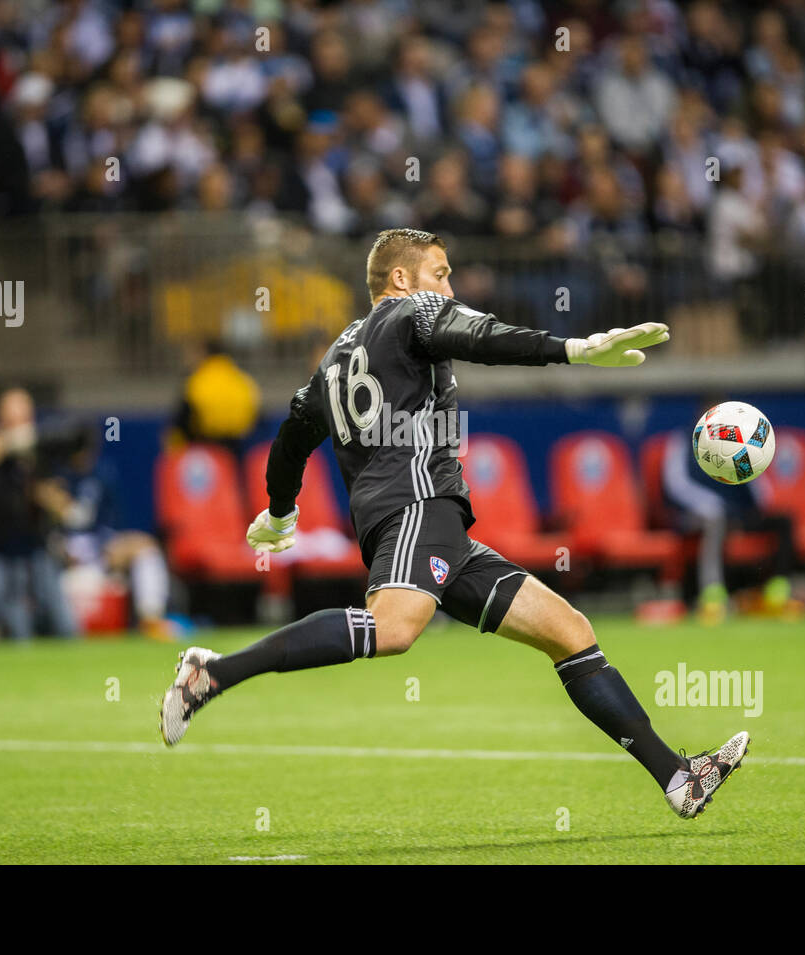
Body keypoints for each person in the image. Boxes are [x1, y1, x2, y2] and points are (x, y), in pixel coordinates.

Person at [159, 229, 749, 820]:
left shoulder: (334, 359)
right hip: (418, 507)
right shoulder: (413, 310)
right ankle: (211, 673)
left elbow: (290, 440)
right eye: (440, 273)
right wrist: (575, 349)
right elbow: (480, 334)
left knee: (568, 630)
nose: (448, 286)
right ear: (401, 279)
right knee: (392, 630)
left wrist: (281, 508)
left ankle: (677, 777)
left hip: (435, 526)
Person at [0, 387, 78, 640]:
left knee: (65, 627)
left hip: (39, 553)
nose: (18, 428)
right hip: (0, 556)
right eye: (11, 421)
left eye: (24, 420)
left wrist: (44, 494)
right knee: (17, 629)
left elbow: (68, 510)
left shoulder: (40, 456)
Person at [41, 423, 178, 640]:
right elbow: (51, 528)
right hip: (61, 555)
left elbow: (101, 524)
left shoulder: (101, 474)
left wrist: (110, 549)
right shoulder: (50, 477)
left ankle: (151, 619)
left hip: (99, 549)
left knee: (146, 547)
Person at [661, 417, 799, 623]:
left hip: (736, 513)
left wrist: (755, 503)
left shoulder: (739, 441)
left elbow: (758, 487)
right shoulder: (683, 440)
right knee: (716, 520)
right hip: (698, 513)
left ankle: (777, 591)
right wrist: (711, 504)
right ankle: (713, 594)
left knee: (783, 520)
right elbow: (677, 484)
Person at [165, 338, 260, 454]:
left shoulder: (196, 382)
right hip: (240, 450)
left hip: (206, 452)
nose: (186, 359)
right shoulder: (242, 380)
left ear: (203, 353)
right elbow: (257, 419)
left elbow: (182, 422)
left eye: (191, 353)